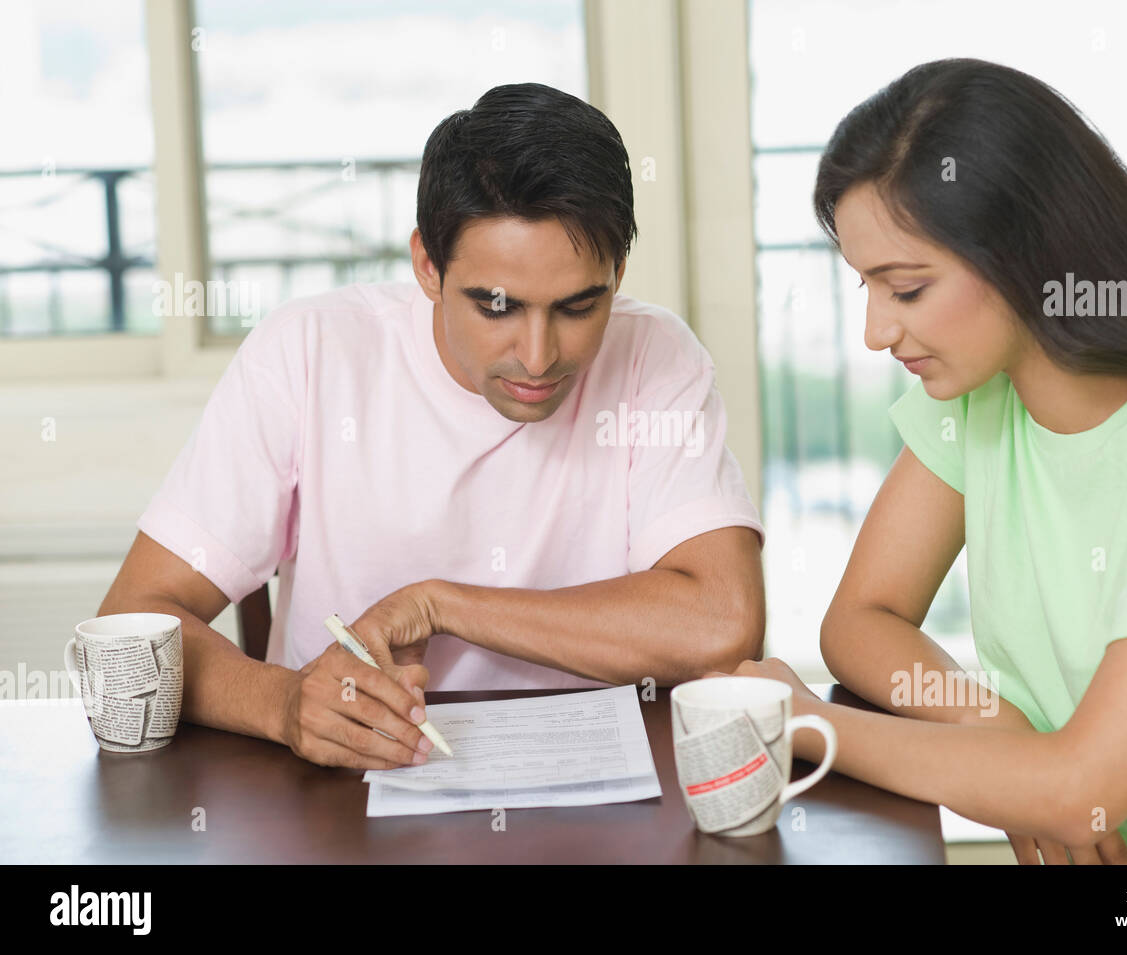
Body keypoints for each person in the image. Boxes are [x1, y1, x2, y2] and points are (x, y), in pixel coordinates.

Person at [723, 58, 1127, 864]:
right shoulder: (976, 401)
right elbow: (861, 619)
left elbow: (1081, 791)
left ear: (1024, 256)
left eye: (908, 288)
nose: (875, 332)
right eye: (867, 287)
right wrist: (995, 731)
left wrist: (807, 723)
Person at [101, 83, 765, 772]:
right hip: (347, 797)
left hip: (597, 803)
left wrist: (439, 604)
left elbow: (721, 622)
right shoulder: (311, 351)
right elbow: (135, 622)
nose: (539, 356)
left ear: (617, 273)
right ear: (427, 265)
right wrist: (286, 702)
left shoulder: (657, 355)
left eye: (577, 307)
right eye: (496, 306)